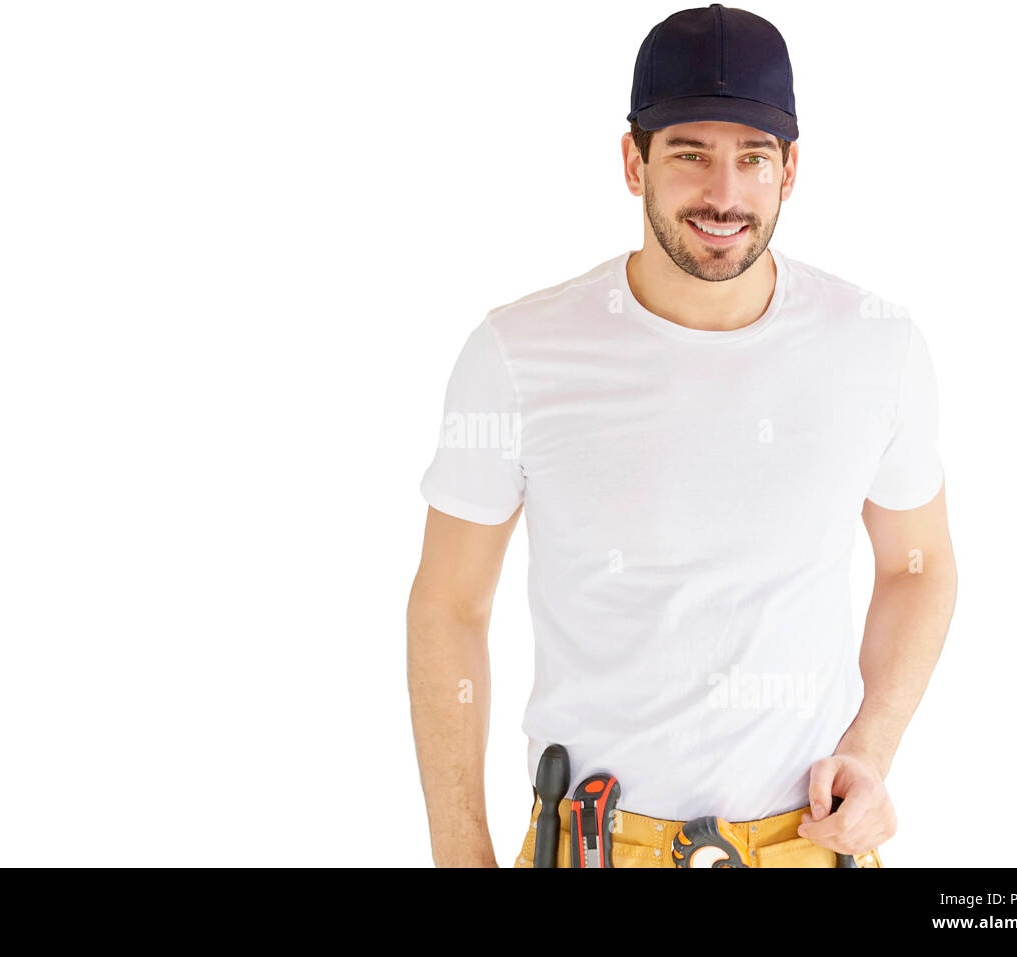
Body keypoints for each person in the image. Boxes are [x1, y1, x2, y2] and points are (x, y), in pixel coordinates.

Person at [406, 3, 957, 868]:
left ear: (791, 169)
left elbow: (917, 568)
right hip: (594, 842)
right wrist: (460, 853)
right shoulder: (519, 353)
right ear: (634, 162)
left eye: (753, 157)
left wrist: (872, 750)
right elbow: (448, 606)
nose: (725, 194)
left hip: (811, 844)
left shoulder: (876, 345)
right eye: (691, 154)